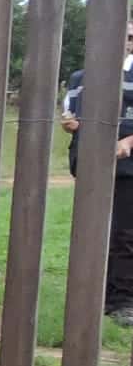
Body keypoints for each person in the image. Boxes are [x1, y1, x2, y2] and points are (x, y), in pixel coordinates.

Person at [60, 18, 133, 323]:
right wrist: (69, 124)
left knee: (125, 233)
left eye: (129, 36)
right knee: (93, 231)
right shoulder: (81, 77)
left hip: (128, 166)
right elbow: (70, 113)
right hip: (89, 162)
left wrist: (129, 140)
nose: (125, 41)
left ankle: (121, 301)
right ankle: (92, 294)